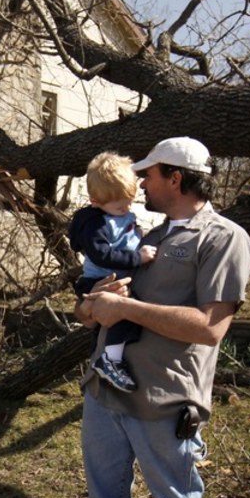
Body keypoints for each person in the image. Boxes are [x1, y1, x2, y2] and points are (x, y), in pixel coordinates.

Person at [75, 137, 250, 498]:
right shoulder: (142, 235)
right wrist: (95, 304)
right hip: (105, 394)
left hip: (165, 402)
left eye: (149, 175)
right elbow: (87, 312)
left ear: (175, 178)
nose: (140, 184)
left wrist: (128, 308)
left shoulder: (224, 239)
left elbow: (210, 328)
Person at [68, 152, 158, 393]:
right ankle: (110, 360)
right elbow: (103, 255)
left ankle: (110, 356)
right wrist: (137, 258)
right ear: (96, 201)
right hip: (98, 280)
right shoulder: (95, 224)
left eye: (129, 201)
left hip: (115, 277)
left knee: (122, 318)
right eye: (120, 206)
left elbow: (127, 234)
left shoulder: (117, 212)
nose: (126, 208)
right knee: (125, 314)